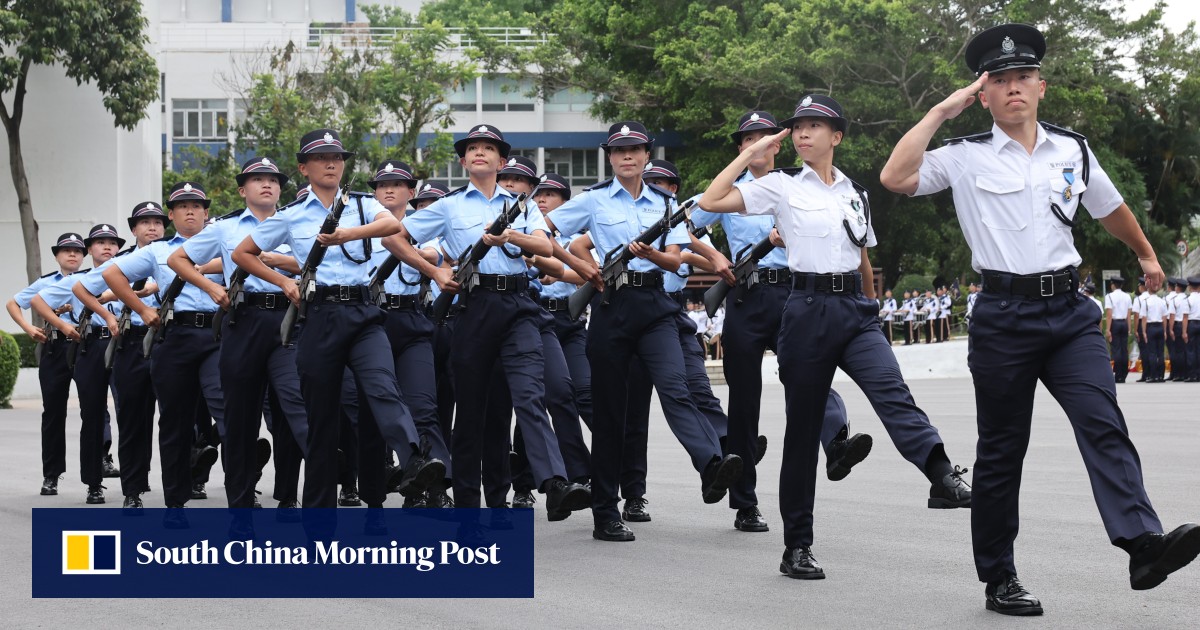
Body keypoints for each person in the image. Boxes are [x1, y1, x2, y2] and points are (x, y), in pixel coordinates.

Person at [879, 22, 1200, 615]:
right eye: (998, 81)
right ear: (985, 94)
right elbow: (895, 177)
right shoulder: (964, 156)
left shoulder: (1072, 149)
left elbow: (1109, 206)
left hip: (1069, 312)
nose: (1013, 88)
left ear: (1041, 86)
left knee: (1102, 420)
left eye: (1022, 77)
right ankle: (999, 576)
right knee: (1003, 451)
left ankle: (1141, 544)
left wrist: (1148, 253)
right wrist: (942, 112)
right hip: (1003, 317)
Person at [701, 94, 968, 579]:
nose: (802, 134)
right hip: (804, 311)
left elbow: (863, 257)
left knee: (893, 392)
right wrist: (751, 151)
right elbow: (711, 201)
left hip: (855, 311)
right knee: (802, 435)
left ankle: (940, 472)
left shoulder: (856, 192)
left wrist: (873, 307)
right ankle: (797, 545)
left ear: (836, 137)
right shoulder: (779, 186)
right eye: (797, 128)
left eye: (813, 127)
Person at [546, 121, 742, 542]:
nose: (627, 156)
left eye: (635, 149)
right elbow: (544, 232)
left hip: (655, 306)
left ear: (647, 156)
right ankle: (605, 512)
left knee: (676, 386)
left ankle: (710, 464)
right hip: (611, 305)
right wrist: (581, 266)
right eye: (619, 151)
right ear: (611, 158)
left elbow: (676, 262)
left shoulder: (663, 203)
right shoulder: (593, 201)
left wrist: (650, 252)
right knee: (612, 412)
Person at [383, 124, 590, 520]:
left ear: (500, 159)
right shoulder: (448, 205)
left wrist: (509, 236)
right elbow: (394, 237)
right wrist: (435, 272)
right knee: (473, 415)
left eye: (488, 148)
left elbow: (545, 245)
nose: (480, 153)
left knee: (530, 396)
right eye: (472, 148)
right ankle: (467, 509)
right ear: (463, 161)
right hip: (473, 310)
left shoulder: (521, 204)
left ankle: (554, 483)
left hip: (518, 305)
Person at [232, 128, 444, 510]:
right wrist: (283, 281)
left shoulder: (362, 204)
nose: (331, 163)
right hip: (318, 317)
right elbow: (243, 254)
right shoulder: (291, 215)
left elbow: (393, 226)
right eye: (321, 158)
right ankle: (319, 519)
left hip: (364, 313)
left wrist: (347, 234)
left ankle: (412, 460)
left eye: (337, 157)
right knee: (322, 421)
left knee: (382, 388)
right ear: (303, 168)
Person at [688, 110, 873, 534]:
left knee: (809, 377)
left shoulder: (796, 184)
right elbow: (686, 227)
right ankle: (745, 503)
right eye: (748, 139)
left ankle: (837, 442)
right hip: (747, 295)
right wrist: (715, 258)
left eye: (766, 136)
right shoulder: (732, 192)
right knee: (745, 399)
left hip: (796, 292)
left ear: (779, 142)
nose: (758, 143)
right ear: (741, 148)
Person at [166, 157, 309, 519]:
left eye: (273, 180)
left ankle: (291, 494)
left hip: (289, 319)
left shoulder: (297, 220)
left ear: (281, 189)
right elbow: (178, 260)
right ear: (242, 190)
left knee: (293, 404)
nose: (266, 185)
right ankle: (241, 508)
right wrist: (210, 289)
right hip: (243, 321)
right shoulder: (224, 228)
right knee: (241, 419)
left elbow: (310, 264)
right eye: (257, 180)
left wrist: (277, 260)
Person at [30, 225, 124, 504]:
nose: (106, 247)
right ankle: (84, 480)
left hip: (123, 344)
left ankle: (132, 480)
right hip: (82, 345)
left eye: (112, 243)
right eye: (100, 243)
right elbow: (35, 300)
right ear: (90, 250)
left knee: (128, 412)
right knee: (83, 414)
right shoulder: (74, 280)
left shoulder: (131, 272)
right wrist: (57, 324)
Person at [7, 233, 87, 497]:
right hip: (55, 347)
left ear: (84, 255)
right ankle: (51, 475)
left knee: (95, 409)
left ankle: (99, 465)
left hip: (85, 346)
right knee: (53, 413)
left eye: (77, 250)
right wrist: (28, 328)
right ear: (57, 256)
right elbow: (13, 303)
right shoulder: (44, 283)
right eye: (66, 250)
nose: (72, 254)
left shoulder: (92, 279)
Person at [1104, 276, 1132, 382]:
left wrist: (1108, 329)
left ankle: (1118, 374)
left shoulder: (1109, 296)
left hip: (1115, 323)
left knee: (1116, 349)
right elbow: (1129, 315)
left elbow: (1109, 314)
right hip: (1124, 323)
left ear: (1113, 285)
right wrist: (1129, 328)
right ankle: (1124, 374)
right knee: (1124, 349)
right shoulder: (1127, 296)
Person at [1140, 287, 1167, 383]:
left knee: (1152, 353)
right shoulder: (1162, 301)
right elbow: (1164, 317)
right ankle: (1161, 376)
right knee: (1160, 353)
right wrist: (1164, 331)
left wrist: (1143, 332)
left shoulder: (1146, 302)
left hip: (1151, 327)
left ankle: (1153, 375)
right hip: (1160, 326)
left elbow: (1144, 318)